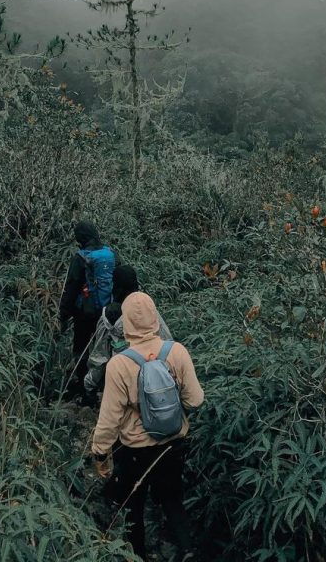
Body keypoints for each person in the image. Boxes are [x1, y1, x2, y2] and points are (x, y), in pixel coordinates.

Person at [91, 291, 204, 561]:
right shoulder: (176, 351)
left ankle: (138, 555)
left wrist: (100, 453)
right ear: (155, 317)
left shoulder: (119, 364)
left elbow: (109, 419)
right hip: (172, 446)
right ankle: (187, 550)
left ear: (126, 322)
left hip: (135, 451)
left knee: (134, 507)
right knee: (173, 500)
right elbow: (195, 400)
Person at [84, 265, 172, 398]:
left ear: (115, 285)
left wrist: (89, 385)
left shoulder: (108, 315)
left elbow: (99, 356)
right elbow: (166, 340)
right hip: (152, 378)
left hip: (122, 377)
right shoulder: (147, 309)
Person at [57, 219, 118, 398]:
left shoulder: (81, 258)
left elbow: (71, 287)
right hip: (107, 311)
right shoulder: (110, 253)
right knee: (104, 346)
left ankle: (83, 386)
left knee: (81, 346)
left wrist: (63, 315)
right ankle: (104, 384)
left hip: (84, 312)